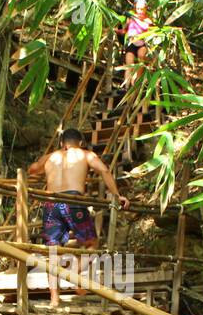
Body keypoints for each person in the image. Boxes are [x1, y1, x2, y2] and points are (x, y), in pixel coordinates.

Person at [27, 128, 129, 305]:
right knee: (91, 243)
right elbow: (104, 171)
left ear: (61, 143)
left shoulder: (51, 157)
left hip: (51, 204)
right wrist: (117, 195)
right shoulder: (85, 154)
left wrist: (47, 165)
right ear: (80, 143)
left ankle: (54, 299)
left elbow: (32, 170)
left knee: (53, 252)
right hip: (73, 201)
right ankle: (74, 275)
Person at [121, 0, 153, 87]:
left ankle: (137, 83)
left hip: (142, 44)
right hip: (131, 43)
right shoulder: (131, 17)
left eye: (142, 9)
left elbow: (147, 28)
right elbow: (125, 30)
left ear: (145, 8)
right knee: (129, 65)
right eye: (138, 9)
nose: (140, 11)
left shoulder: (147, 20)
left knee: (141, 57)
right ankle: (126, 86)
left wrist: (136, 18)